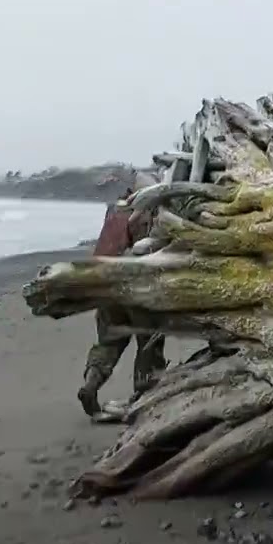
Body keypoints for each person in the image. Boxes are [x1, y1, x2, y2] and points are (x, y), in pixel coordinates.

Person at [76, 175, 167, 418]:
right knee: (149, 342)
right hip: (137, 288)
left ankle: (90, 385)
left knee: (108, 343)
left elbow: (102, 251)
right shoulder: (150, 214)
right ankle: (143, 394)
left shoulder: (115, 212)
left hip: (106, 285)